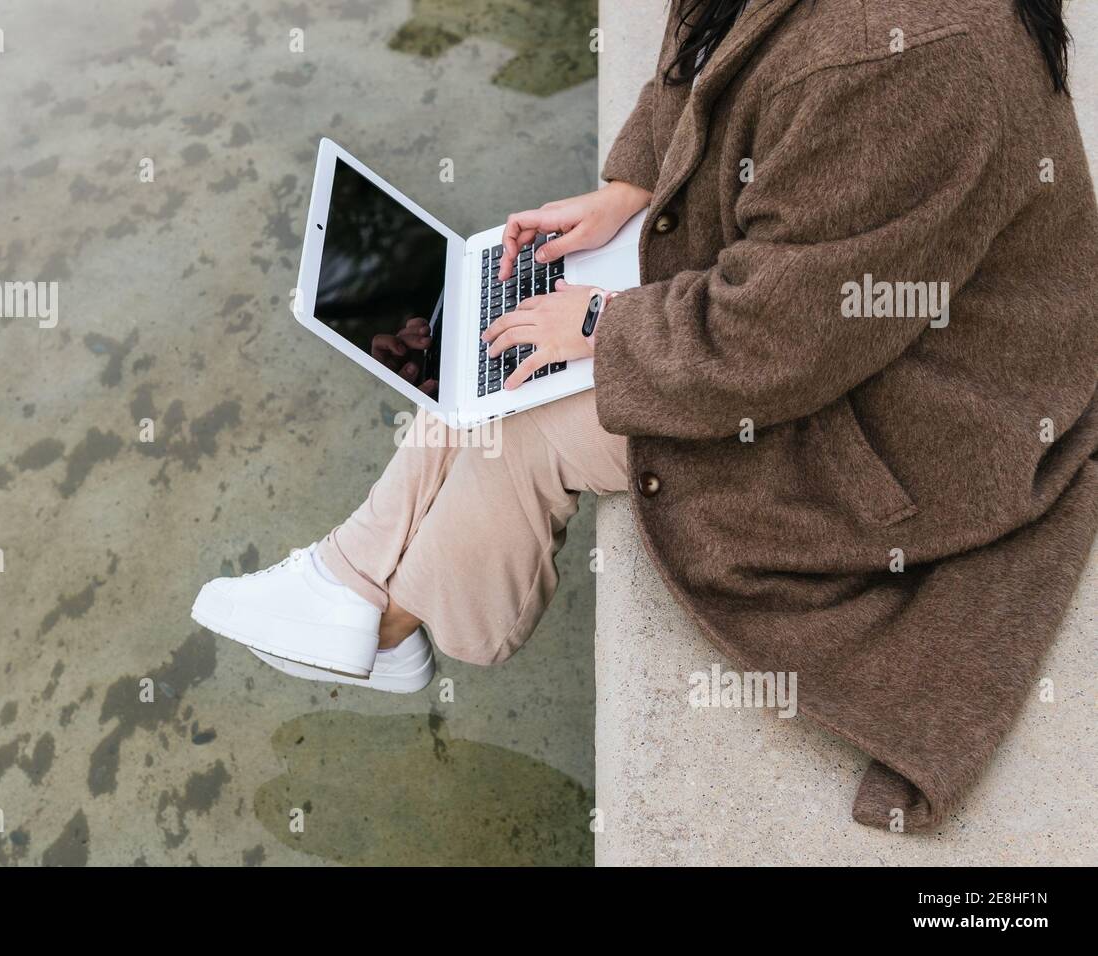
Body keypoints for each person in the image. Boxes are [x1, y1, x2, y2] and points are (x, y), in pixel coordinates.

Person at [192, 0, 1098, 829]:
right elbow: (702, 50)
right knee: (495, 340)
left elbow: (776, 345)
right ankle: (353, 580)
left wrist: (601, 323)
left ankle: (384, 623)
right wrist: (628, 188)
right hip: (846, 326)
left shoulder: (905, 60)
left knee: (519, 425)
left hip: (930, 402)